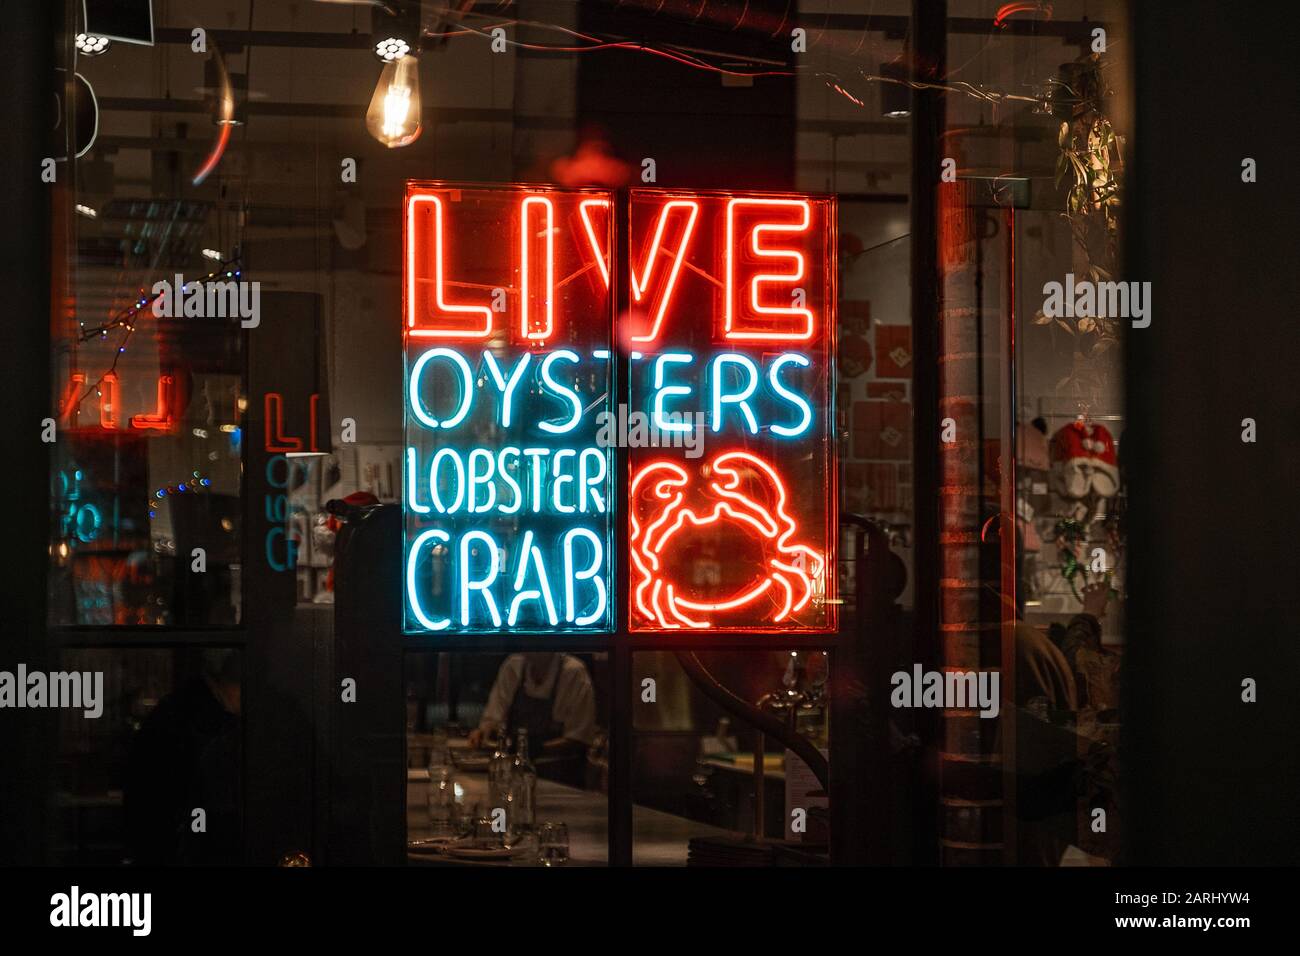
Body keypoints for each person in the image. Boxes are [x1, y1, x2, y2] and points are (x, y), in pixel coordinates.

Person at [467, 653, 596, 787]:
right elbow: (493, 719)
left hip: (562, 778)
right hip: (515, 778)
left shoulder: (573, 672)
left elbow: (579, 739)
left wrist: (536, 748)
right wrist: (482, 732)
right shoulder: (513, 665)